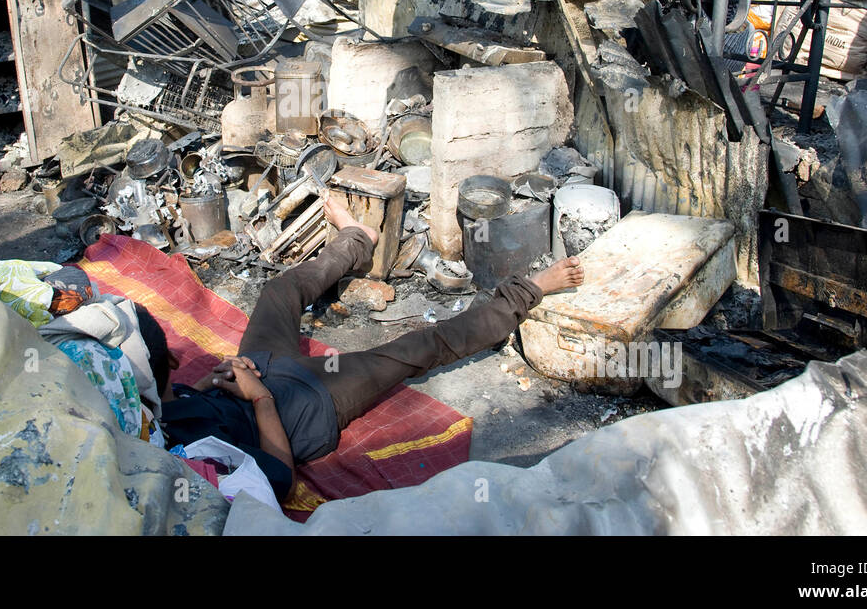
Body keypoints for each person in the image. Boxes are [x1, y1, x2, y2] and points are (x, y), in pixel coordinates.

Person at [153, 195, 587, 499]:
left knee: (277, 294)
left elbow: (192, 401)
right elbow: (279, 479)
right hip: (300, 406)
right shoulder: (177, 456)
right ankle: (529, 291)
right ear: (172, 360)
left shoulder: (149, 409)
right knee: (416, 348)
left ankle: (356, 240)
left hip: (260, 371)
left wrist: (215, 382)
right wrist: (260, 397)